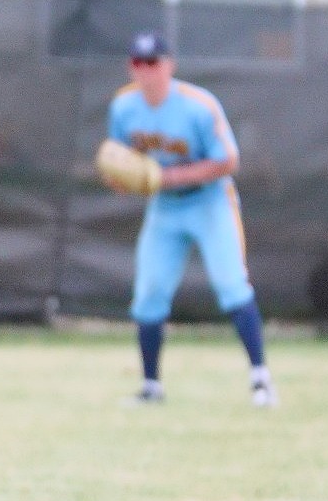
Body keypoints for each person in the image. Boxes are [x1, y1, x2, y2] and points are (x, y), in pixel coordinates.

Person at [107, 31, 277, 407]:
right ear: (130, 68)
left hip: (210, 203)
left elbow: (227, 161)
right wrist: (123, 179)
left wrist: (168, 178)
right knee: (149, 295)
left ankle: (260, 379)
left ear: (169, 65)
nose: (146, 71)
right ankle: (151, 386)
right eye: (138, 63)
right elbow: (120, 161)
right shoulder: (123, 107)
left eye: (153, 63)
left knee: (231, 285)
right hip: (165, 209)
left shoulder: (198, 106)